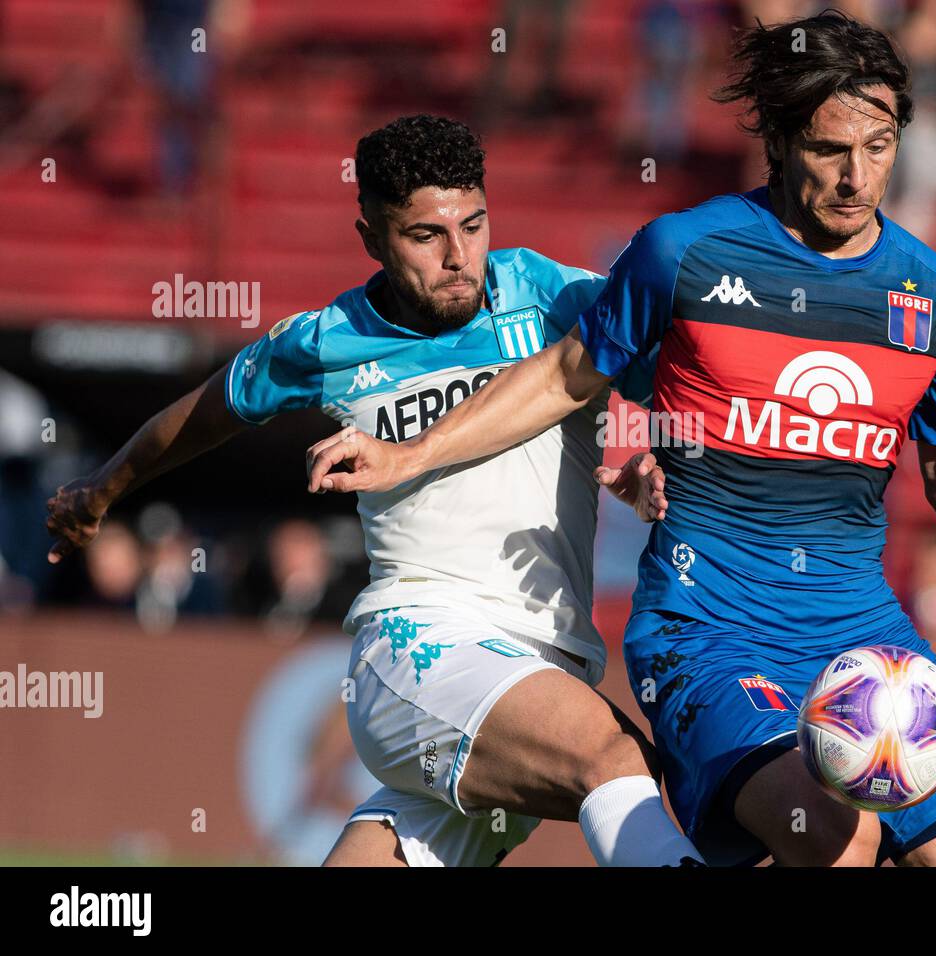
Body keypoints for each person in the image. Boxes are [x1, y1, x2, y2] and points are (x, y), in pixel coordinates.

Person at [305, 14, 936, 867]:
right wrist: (410, 454)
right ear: (783, 142)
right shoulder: (685, 251)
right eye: (831, 149)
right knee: (833, 838)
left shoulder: (934, 296)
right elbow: (568, 375)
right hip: (707, 633)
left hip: (866, 637)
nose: (857, 176)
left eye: (880, 144)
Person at [46, 114, 701, 868]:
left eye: (475, 225)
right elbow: (201, 416)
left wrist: (665, 461)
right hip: (421, 648)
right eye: (426, 236)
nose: (460, 258)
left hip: (541, 668)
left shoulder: (562, 298)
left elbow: (692, 391)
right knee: (621, 767)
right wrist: (100, 490)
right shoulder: (324, 342)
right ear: (371, 239)